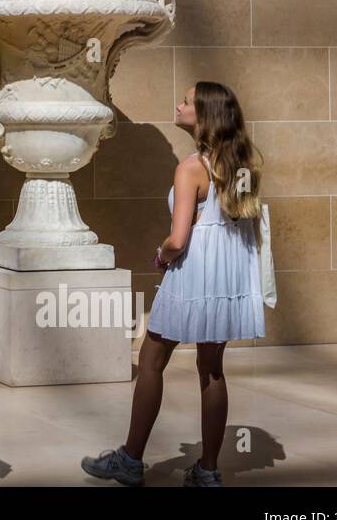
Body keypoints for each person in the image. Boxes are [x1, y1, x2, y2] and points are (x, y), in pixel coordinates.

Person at [82, 82, 265, 487]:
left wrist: (161, 255)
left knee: (151, 360)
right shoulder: (243, 164)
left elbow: (178, 240)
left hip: (191, 277)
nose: (178, 104)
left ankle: (130, 460)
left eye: (185, 101)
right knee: (212, 370)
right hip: (224, 279)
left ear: (203, 116)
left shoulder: (190, 168)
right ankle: (208, 470)